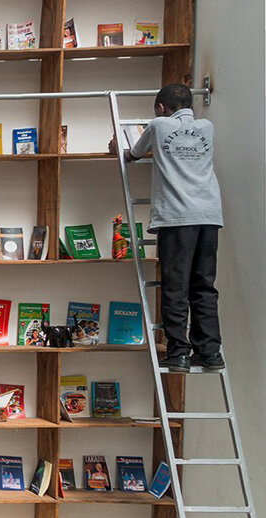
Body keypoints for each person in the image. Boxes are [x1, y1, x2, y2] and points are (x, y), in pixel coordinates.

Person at [109, 83, 223, 372]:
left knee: (175, 286)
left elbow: (133, 153)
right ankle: (210, 352)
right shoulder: (207, 127)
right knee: (204, 286)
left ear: (161, 108)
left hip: (177, 217)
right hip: (209, 216)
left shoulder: (158, 125)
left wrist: (116, 147)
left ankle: (179, 352)